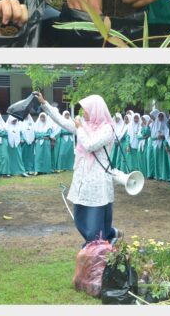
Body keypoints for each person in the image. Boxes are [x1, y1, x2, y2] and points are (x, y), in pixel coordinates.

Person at [38, 92, 122, 245]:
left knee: (95, 222)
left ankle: (97, 248)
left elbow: (90, 145)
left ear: (96, 110)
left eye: (87, 110)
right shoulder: (85, 126)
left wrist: (79, 128)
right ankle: (107, 237)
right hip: (83, 183)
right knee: (80, 218)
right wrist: (45, 104)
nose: (83, 113)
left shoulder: (107, 129)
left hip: (98, 184)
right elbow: (63, 122)